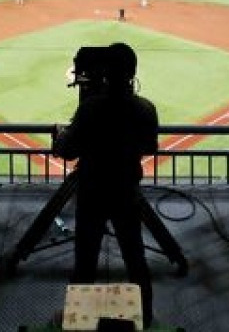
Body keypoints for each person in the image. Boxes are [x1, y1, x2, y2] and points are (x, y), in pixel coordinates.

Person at [52, 43, 158, 327]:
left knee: (85, 262)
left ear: (105, 72)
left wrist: (60, 137)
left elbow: (68, 150)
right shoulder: (146, 108)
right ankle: (145, 318)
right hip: (126, 191)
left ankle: (79, 322)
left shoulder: (90, 108)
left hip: (92, 192)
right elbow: (150, 146)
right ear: (133, 72)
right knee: (136, 258)